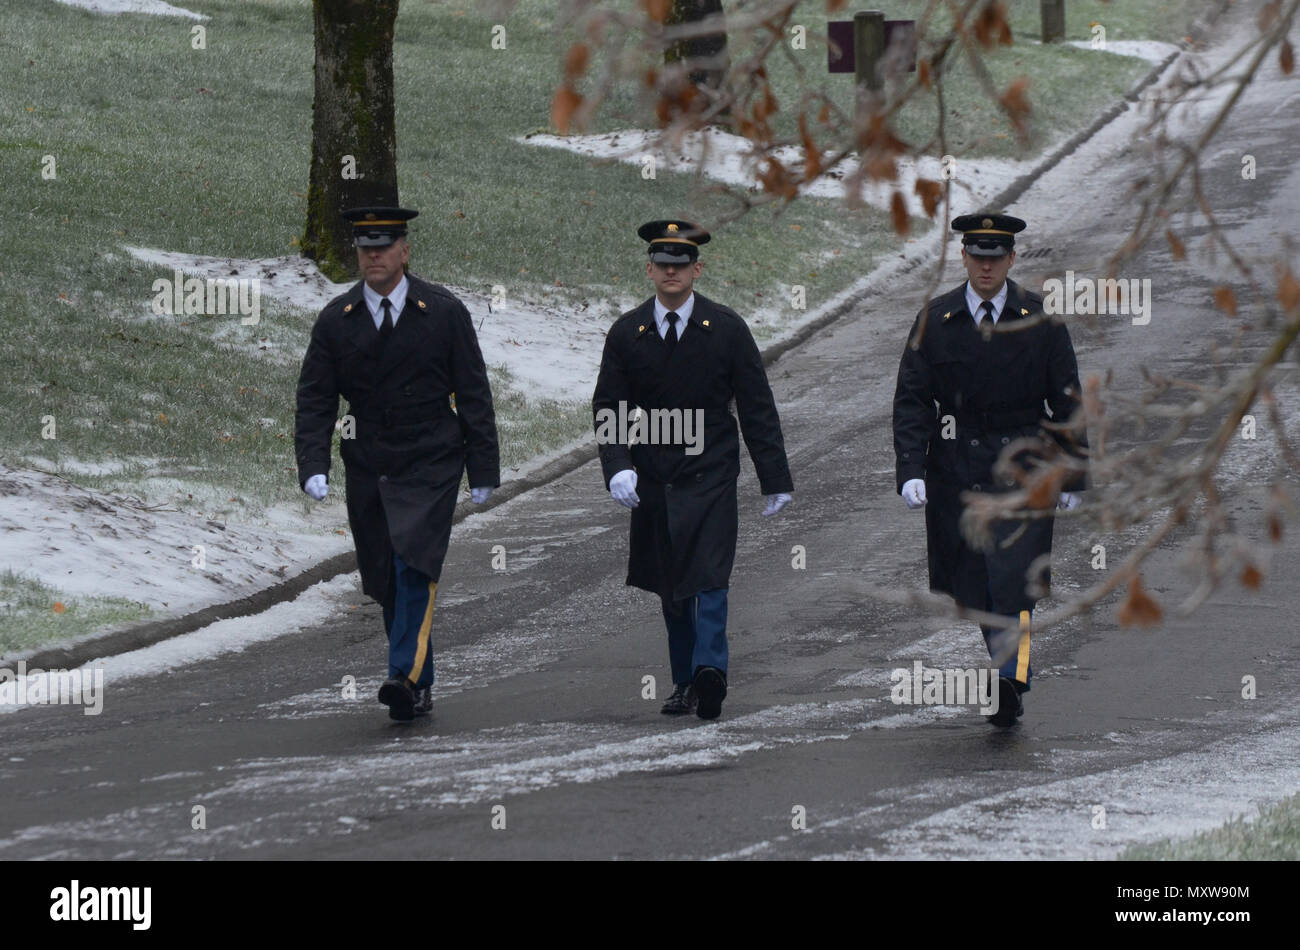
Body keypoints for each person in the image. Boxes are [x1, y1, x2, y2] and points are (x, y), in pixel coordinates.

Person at [295, 204, 500, 722]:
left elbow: (473, 391)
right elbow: (317, 398)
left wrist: (484, 468)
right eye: (365, 249)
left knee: (415, 563)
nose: (374, 257)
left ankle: (402, 673)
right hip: (369, 463)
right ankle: (417, 683)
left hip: (431, 457)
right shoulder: (337, 320)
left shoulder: (443, 312)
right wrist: (313, 463)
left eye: (383, 248)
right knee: (385, 575)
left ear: (405, 252)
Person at [592, 219, 793, 721]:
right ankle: (684, 679)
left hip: (712, 472)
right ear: (649, 270)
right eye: (662, 265)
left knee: (710, 576)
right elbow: (609, 406)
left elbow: (755, 405)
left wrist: (775, 477)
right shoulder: (628, 332)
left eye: (680, 265)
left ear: (697, 270)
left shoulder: (726, 329)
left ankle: (711, 671)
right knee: (671, 584)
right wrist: (617, 465)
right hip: (655, 476)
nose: (671, 273)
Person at [892, 213, 1088, 727]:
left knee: (1014, 579)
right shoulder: (936, 319)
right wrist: (911, 468)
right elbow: (913, 400)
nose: (986, 265)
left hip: (1025, 465)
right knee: (974, 581)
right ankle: (1003, 667)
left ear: (1011, 260)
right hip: (957, 467)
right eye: (977, 256)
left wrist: (1074, 472)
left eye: (995, 257)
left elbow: (1067, 398)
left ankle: (1007, 678)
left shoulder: (1039, 317)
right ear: (963, 258)